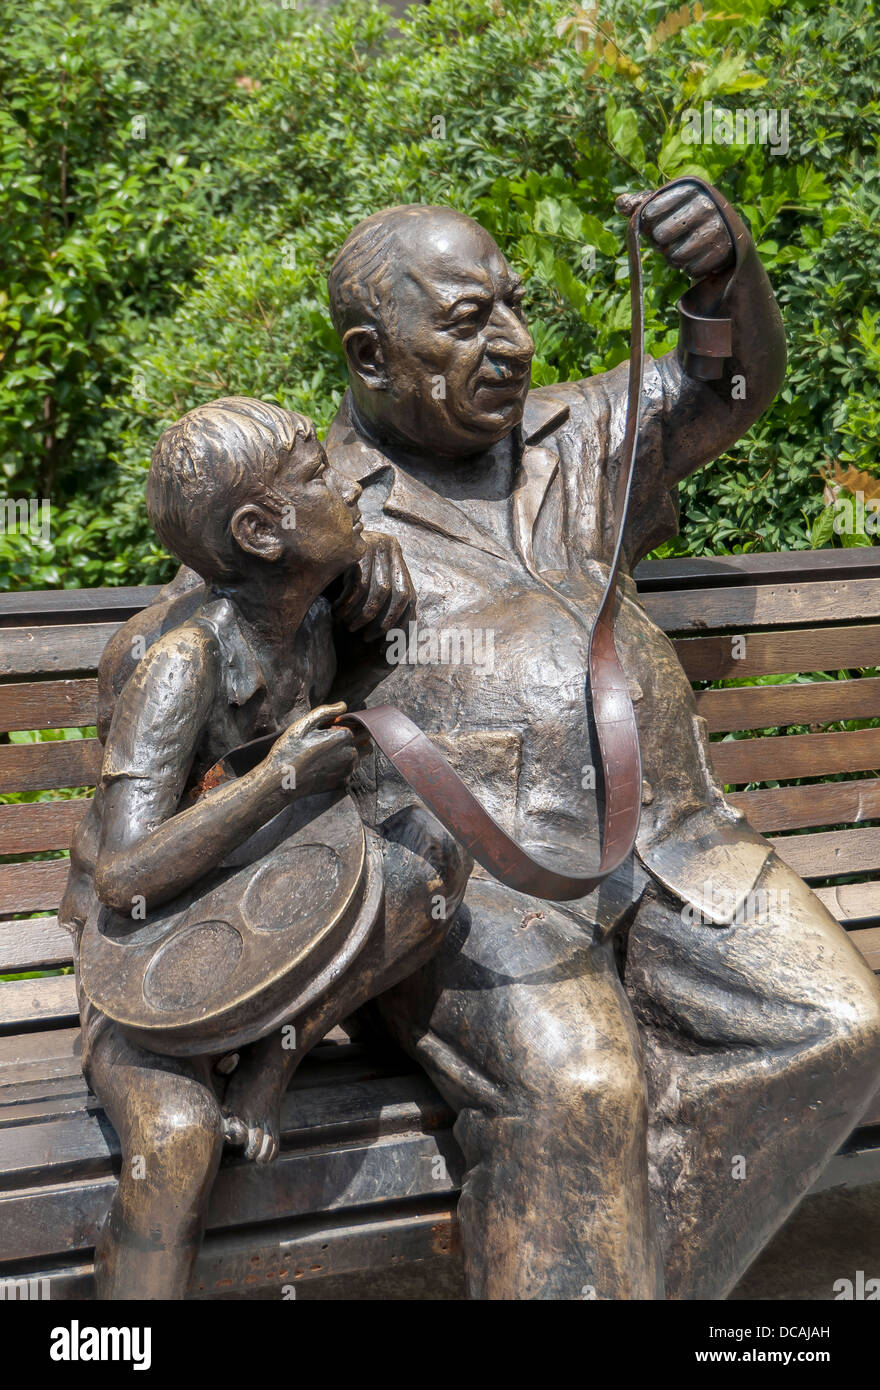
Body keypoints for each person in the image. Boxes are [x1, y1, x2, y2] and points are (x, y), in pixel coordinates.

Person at [319, 187, 880, 1299]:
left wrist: (726, 275)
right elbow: (190, 683)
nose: (514, 346)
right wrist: (304, 588)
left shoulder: (582, 433)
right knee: (580, 1085)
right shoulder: (308, 508)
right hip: (472, 901)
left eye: (514, 308)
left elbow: (734, 384)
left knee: (837, 1024)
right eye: (468, 322)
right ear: (372, 355)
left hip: (672, 842)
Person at [60, 396, 469, 1299]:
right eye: (318, 477)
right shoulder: (183, 664)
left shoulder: (311, 612)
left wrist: (367, 556)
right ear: (257, 531)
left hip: (269, 932)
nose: (347, 481)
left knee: (432, 861)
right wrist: (273, 781)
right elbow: (123, 878)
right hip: (148, 973)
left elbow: (361, 581)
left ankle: (273, 1063)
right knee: (175, 1144)